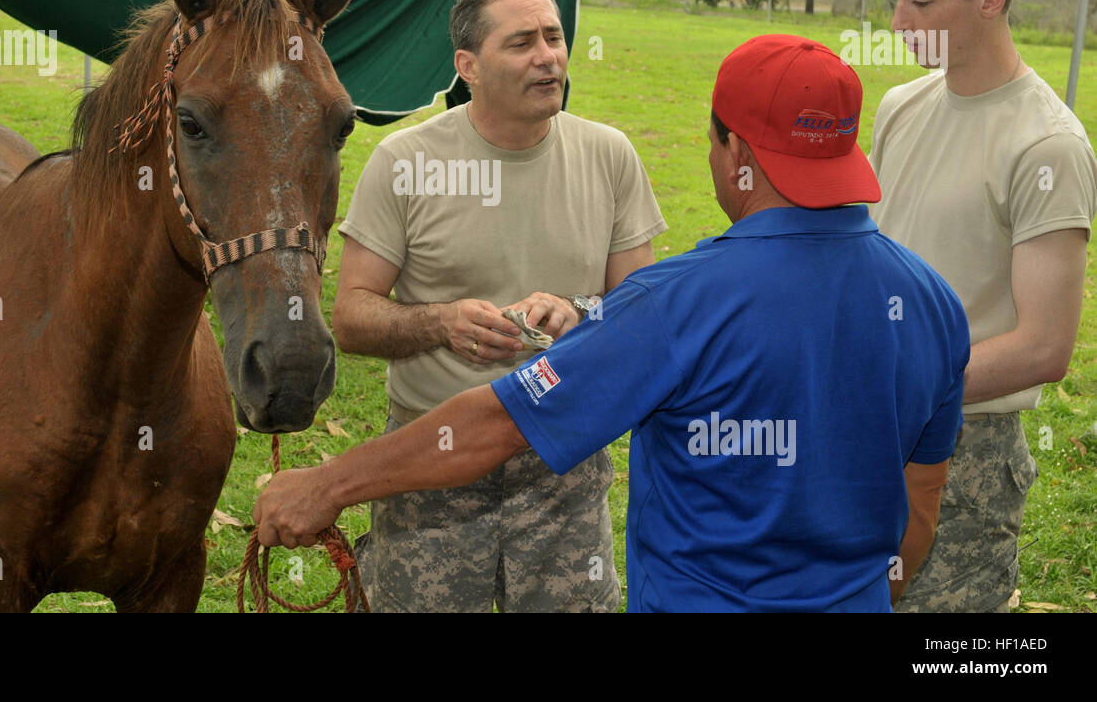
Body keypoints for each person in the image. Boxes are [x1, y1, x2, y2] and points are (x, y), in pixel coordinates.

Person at [257, 34, 970, 612]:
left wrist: (326, 485)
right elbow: (921, 504)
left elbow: (500, 422)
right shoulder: (934, 302)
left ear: (737, 154)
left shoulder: (679, 303)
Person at [328, 0, 666, 612]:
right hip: (431, 466)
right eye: (521, 42)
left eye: (554, 36)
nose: (548, 57)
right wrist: (441, 322)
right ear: (468, 65)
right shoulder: (404, 163)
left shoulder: (610, 155)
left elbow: (642, 316)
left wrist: (580, 312)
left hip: (562, 469)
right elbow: (350, 315)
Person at [871, 0, 1097, 613]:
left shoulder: (1047, 145)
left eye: (919, 1)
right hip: (871, 427)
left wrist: (906, 386)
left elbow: (1044, 347)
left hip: (967, 448)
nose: (898, 23)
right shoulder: (900, 106)